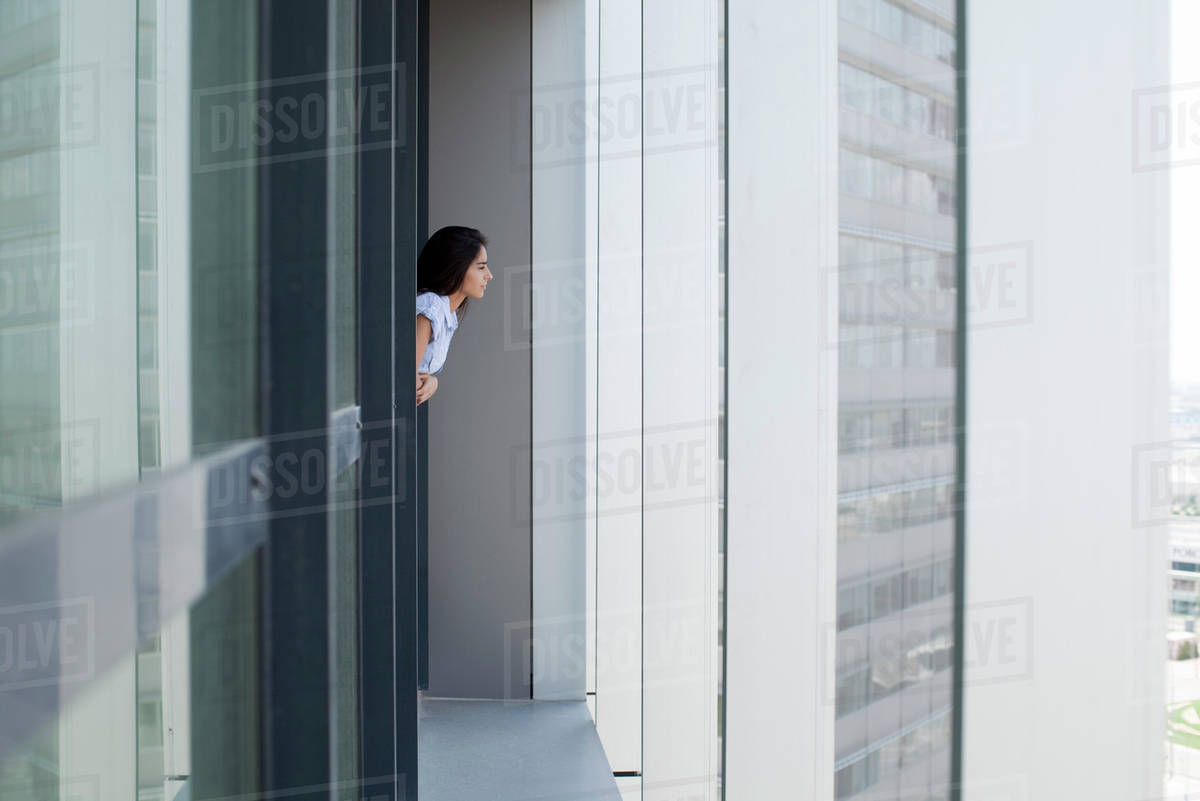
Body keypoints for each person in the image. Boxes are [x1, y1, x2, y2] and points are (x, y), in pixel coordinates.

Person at [415, 226, 491, 405]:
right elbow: (404, 375)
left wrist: (433, 382)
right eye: (481, 268)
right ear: (457, 267)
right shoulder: (431, 306)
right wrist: (430, 383)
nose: (489, 276)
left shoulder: (447, 314)